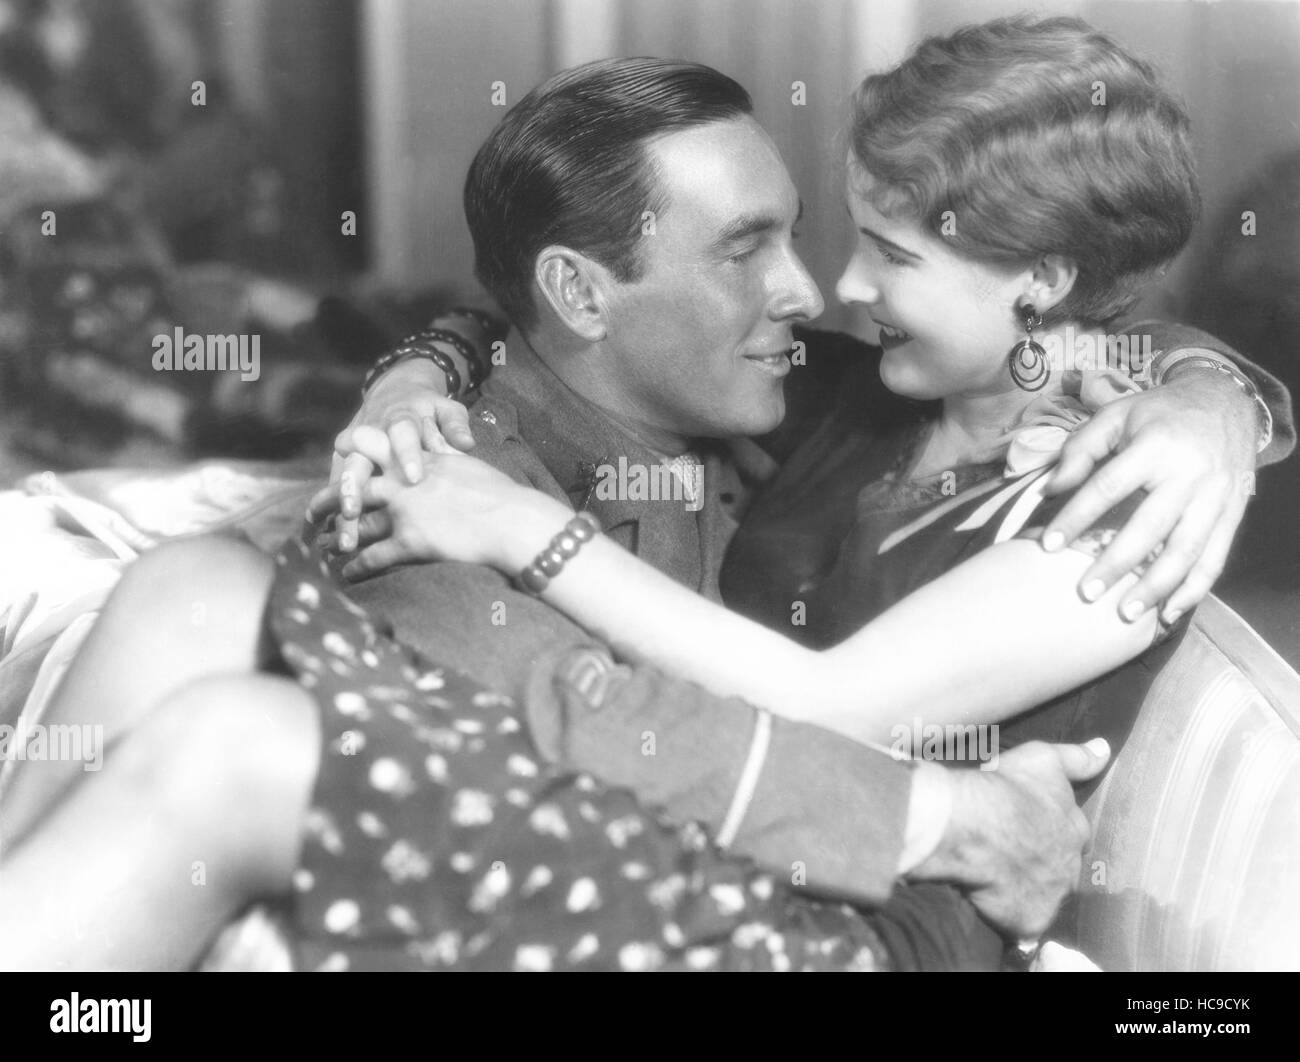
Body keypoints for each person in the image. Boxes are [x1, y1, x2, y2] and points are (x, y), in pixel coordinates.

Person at [0, 30, 1290, 971]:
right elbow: (501, 332)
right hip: (760, 826)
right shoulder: (864, 395)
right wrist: (412, 380)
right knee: (188, 592)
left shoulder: (1120, 508)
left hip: (861, 912)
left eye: (886, 255)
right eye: (786, 244)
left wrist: (1212, 404)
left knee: (230, 742)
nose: (825, 289)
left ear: (1039, 281)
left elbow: (829, 704)